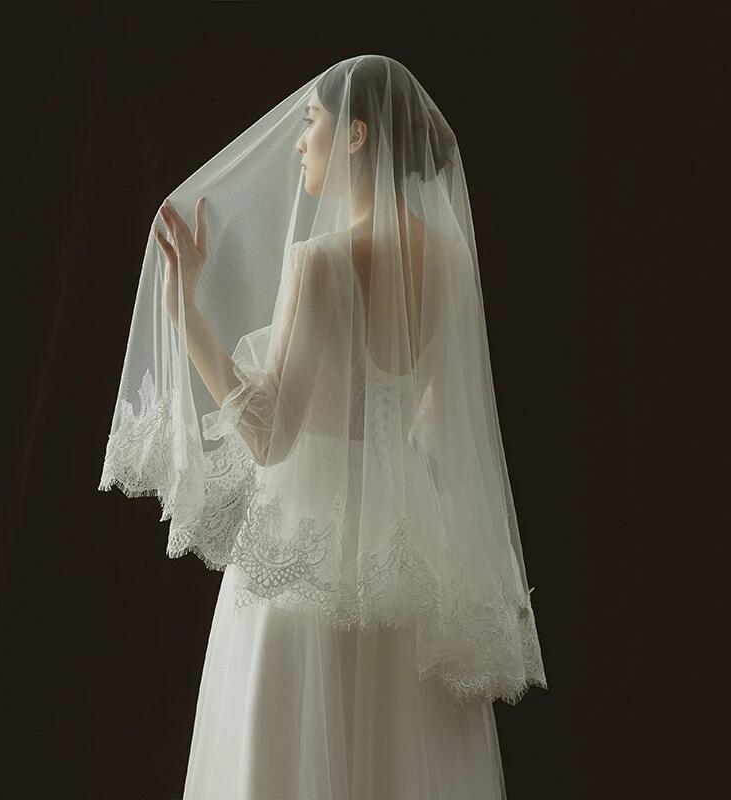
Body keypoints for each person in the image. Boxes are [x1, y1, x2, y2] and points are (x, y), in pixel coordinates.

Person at [99, 54, 547, 799]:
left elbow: (269, 434)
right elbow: (439, 422)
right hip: (406, 547)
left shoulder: (321, 264)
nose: (301, 143)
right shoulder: (450, 263)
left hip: (307, 541)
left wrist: (186, 312)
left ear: (356, 135)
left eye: (312, 122)